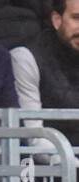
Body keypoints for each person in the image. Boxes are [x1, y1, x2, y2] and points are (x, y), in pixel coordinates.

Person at [13, 0, 79, 144]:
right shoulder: (28, 58)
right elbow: (35, 137)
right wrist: (72, 164)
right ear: (57, 20)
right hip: (52, 163)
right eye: (76, 18)